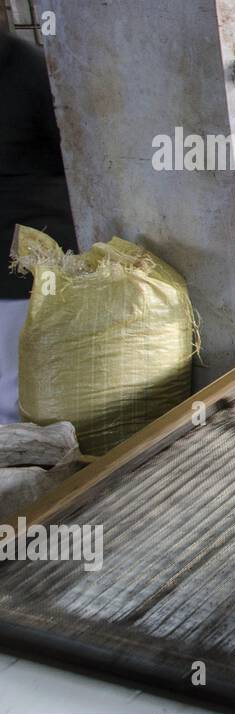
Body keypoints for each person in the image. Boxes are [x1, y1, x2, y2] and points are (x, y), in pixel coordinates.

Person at [0, 27, 75, 424]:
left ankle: (36, 465)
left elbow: (70, 155)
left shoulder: (29, 69)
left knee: (14, 382)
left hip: (24, 250)